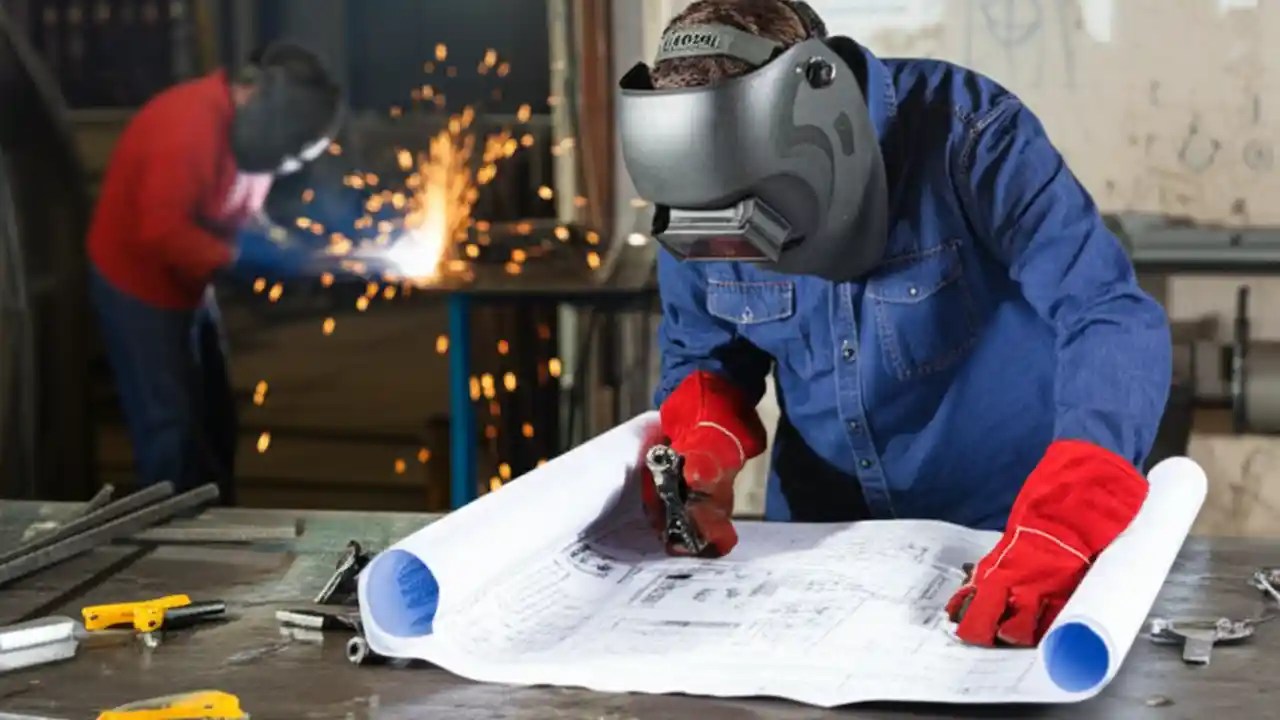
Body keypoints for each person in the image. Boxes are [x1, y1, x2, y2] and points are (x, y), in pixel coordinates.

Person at [619, 0, 1171, 649]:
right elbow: (704, 352)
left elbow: (1107, 314)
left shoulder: (970, 134)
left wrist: (1066, 523)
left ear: (817, 113)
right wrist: (704, 437)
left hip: (1007, 537)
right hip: (819, 552)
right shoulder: (697, 194)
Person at [87, 41, 342, 506]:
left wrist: (285, 247)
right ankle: (172, 535)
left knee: (216, 419)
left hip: (191, 285)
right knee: (172, 429)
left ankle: (217, 519)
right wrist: (238, 260)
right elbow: (163, 232)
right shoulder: (187, 128)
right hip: (139, 285)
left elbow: (243, 207)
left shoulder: (253, 134)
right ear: (259, 100)